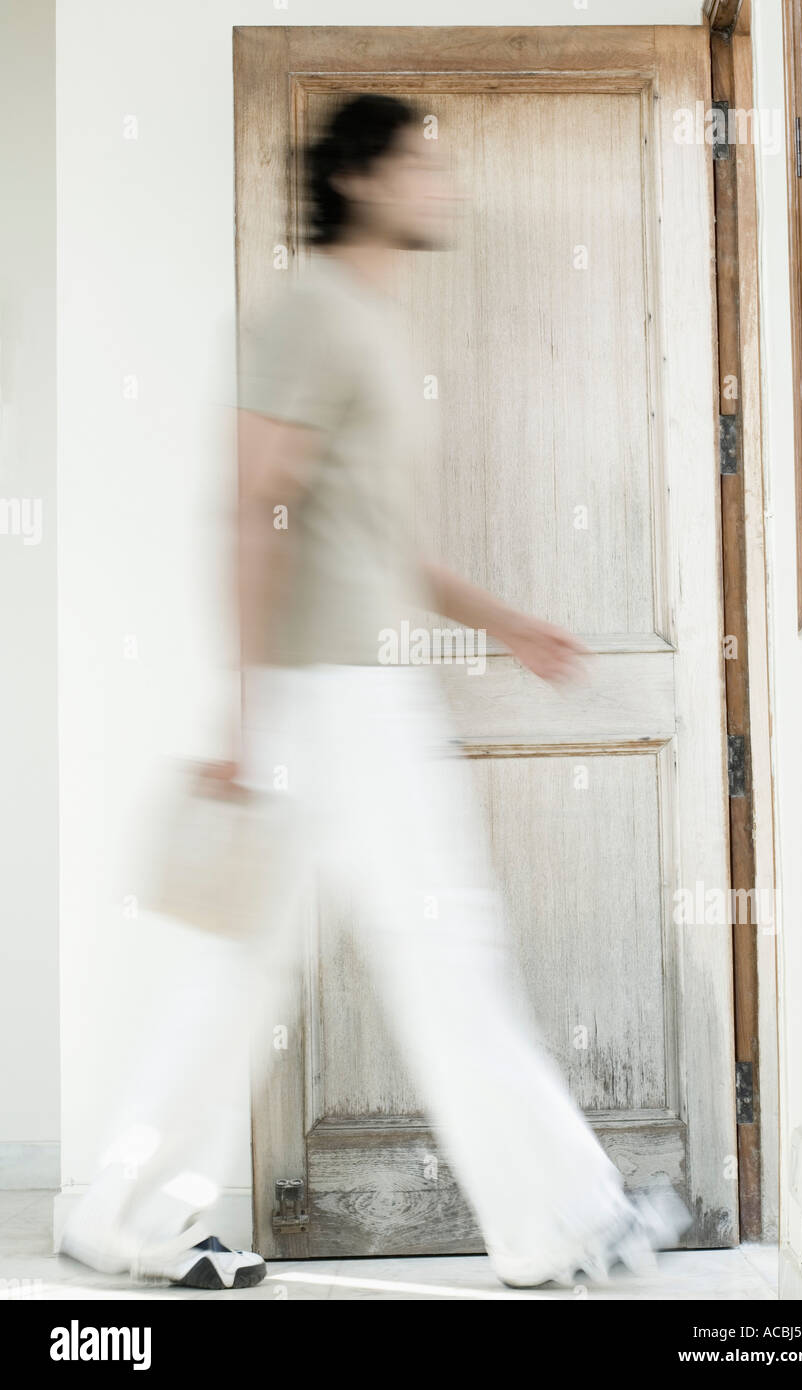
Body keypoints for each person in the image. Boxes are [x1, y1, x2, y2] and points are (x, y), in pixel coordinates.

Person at [59, 94, 690, 1291]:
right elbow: (254, 506)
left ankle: (126, 1209)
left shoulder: (372, 328)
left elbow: (376, 542)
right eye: (420, 163)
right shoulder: (310, 311)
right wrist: (245, 721)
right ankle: (563, 1223)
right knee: (443, 951)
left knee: (254, 968)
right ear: (356, 178)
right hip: (327, 699)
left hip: (347, 691)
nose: (440, 184)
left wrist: (506, 620)